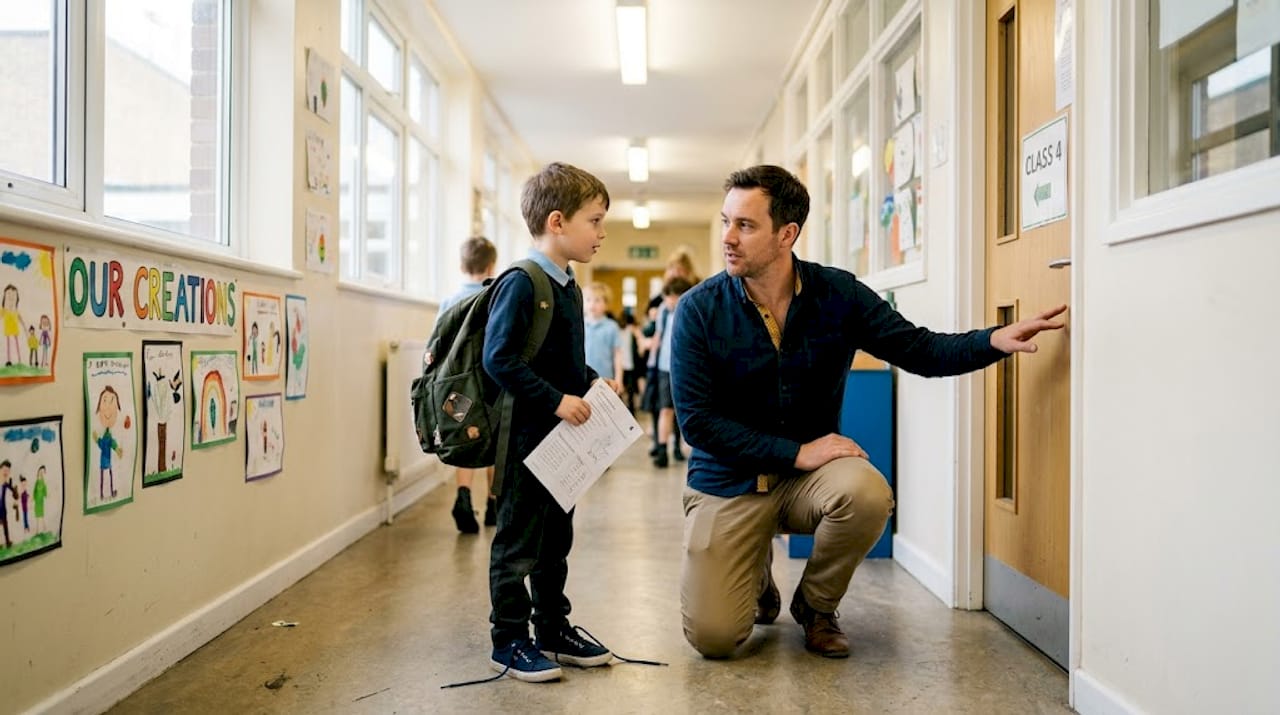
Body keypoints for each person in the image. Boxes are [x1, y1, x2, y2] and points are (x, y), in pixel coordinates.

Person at [670, 165, 1066, 659]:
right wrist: (797, 451)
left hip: (804, 480)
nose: (728, 237)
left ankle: (816, 606)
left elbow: (919, 349)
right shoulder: (698, 310)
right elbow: (698, 424)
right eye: (726, 220)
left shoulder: (838, 295)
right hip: (729, 479)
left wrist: (992, 340)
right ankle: (753, 574)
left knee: (867, 493)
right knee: (715, 639)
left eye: (744, 225)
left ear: (786, 234)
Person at [481, 162, 622, 682]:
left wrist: (591, 382)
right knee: (517, 542)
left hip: (562, 444)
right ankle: (509, 640)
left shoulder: (569, 286)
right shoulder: (523, 282)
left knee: (555, 541)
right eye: (596, 221)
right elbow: (500, 359)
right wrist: (557, 400)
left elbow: (559, 360)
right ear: (558, 222)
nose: (602, 233)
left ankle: (552, 630)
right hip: (524, 439)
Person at [438, 235, 500, 534]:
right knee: (493, 440)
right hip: (489, 382)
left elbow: (437, 343)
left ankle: (463, 497)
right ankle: (493, 504)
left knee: (465, 439)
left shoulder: (450, 300)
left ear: (462, 265)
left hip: (456, 385)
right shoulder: (494, 297)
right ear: (491, 265)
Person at [650, 276, 693, 468]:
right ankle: (662, 449)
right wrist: (652, 361)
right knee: (665, 409)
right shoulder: (663, 312)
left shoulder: (690, 311)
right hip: (664, 367)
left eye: (672, 297)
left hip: (684, 368)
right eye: (666, 297)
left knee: (681, 411)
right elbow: (658, 335)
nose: (668, 301)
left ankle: (677, 446)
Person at [582, 282, 624, 389]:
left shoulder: (612, 326)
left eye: (597, 300)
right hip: (583, 378)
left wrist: (619, 379)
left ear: (606, 304)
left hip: (605, 378)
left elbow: (617, 355)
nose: (592, 304)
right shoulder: (579, 324)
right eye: (588, 300)